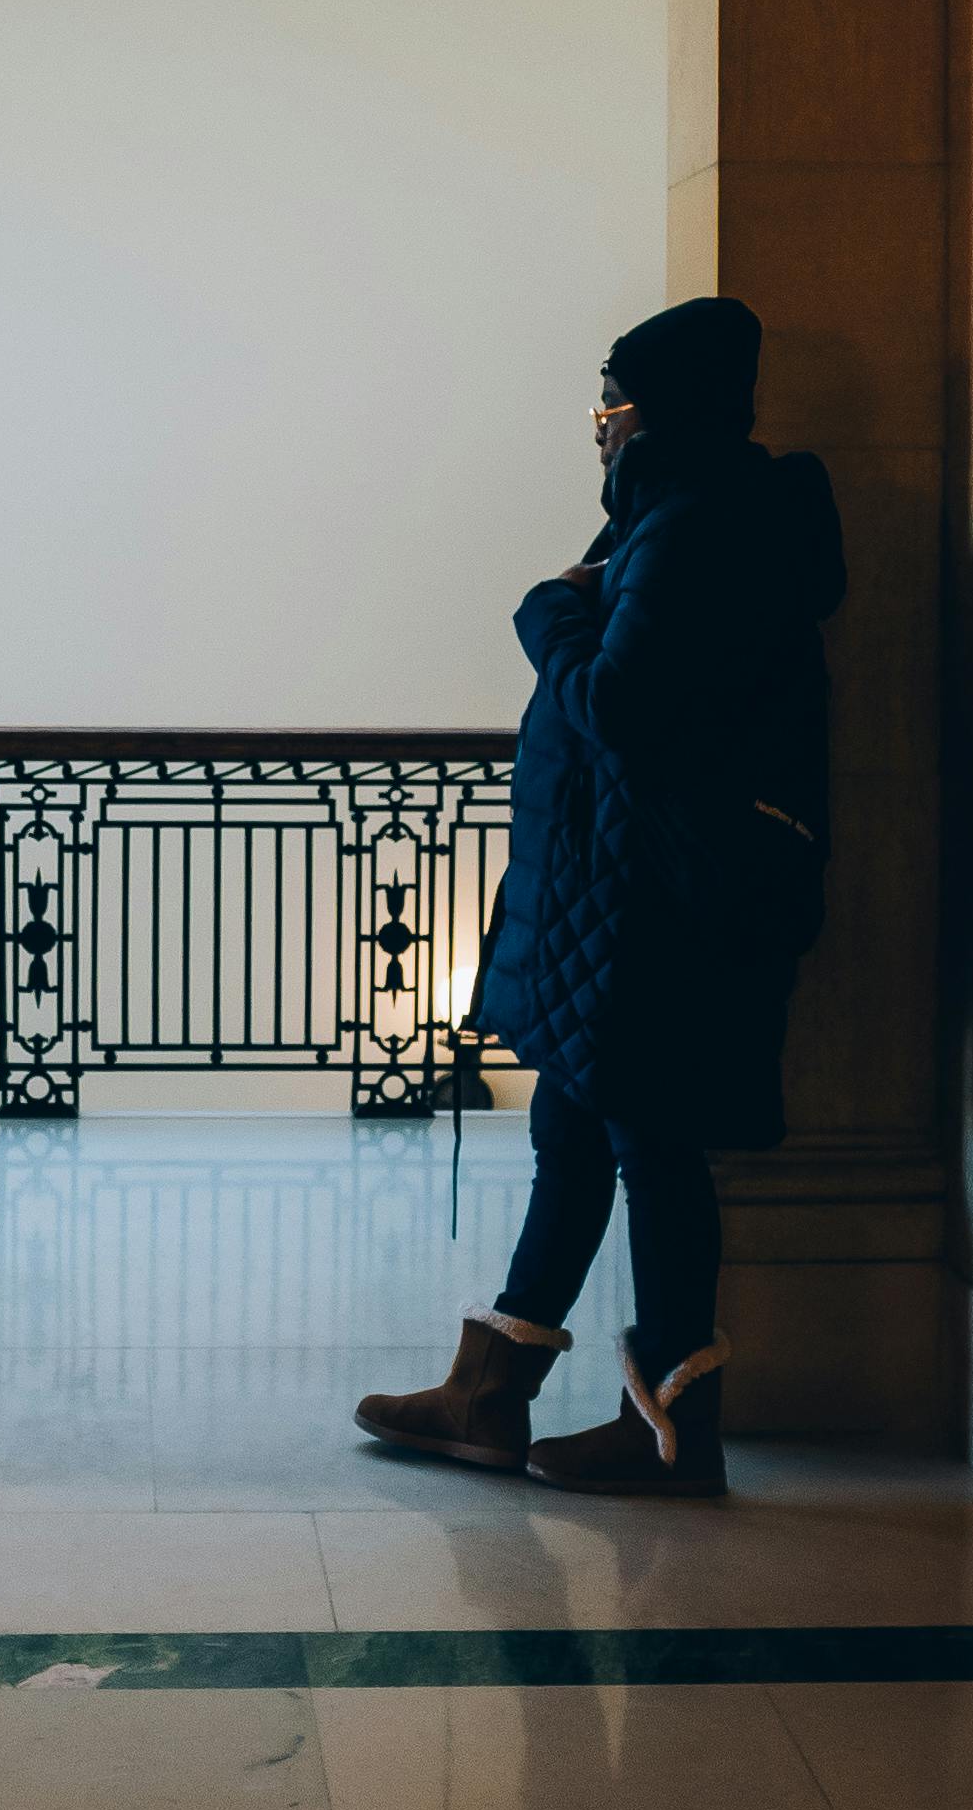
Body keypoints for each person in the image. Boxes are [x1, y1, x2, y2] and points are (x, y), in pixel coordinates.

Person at [357, 291, 841, 1498]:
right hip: (634, 897)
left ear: (657, 414)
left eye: (610, 405)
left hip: (648, 905)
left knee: (645, 1142)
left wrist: (545, 612)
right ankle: (490, 1393)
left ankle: (673, 1426)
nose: (598, 430)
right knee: (577, 1129)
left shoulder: (687, 528)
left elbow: (622, 712)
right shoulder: (708, 518)